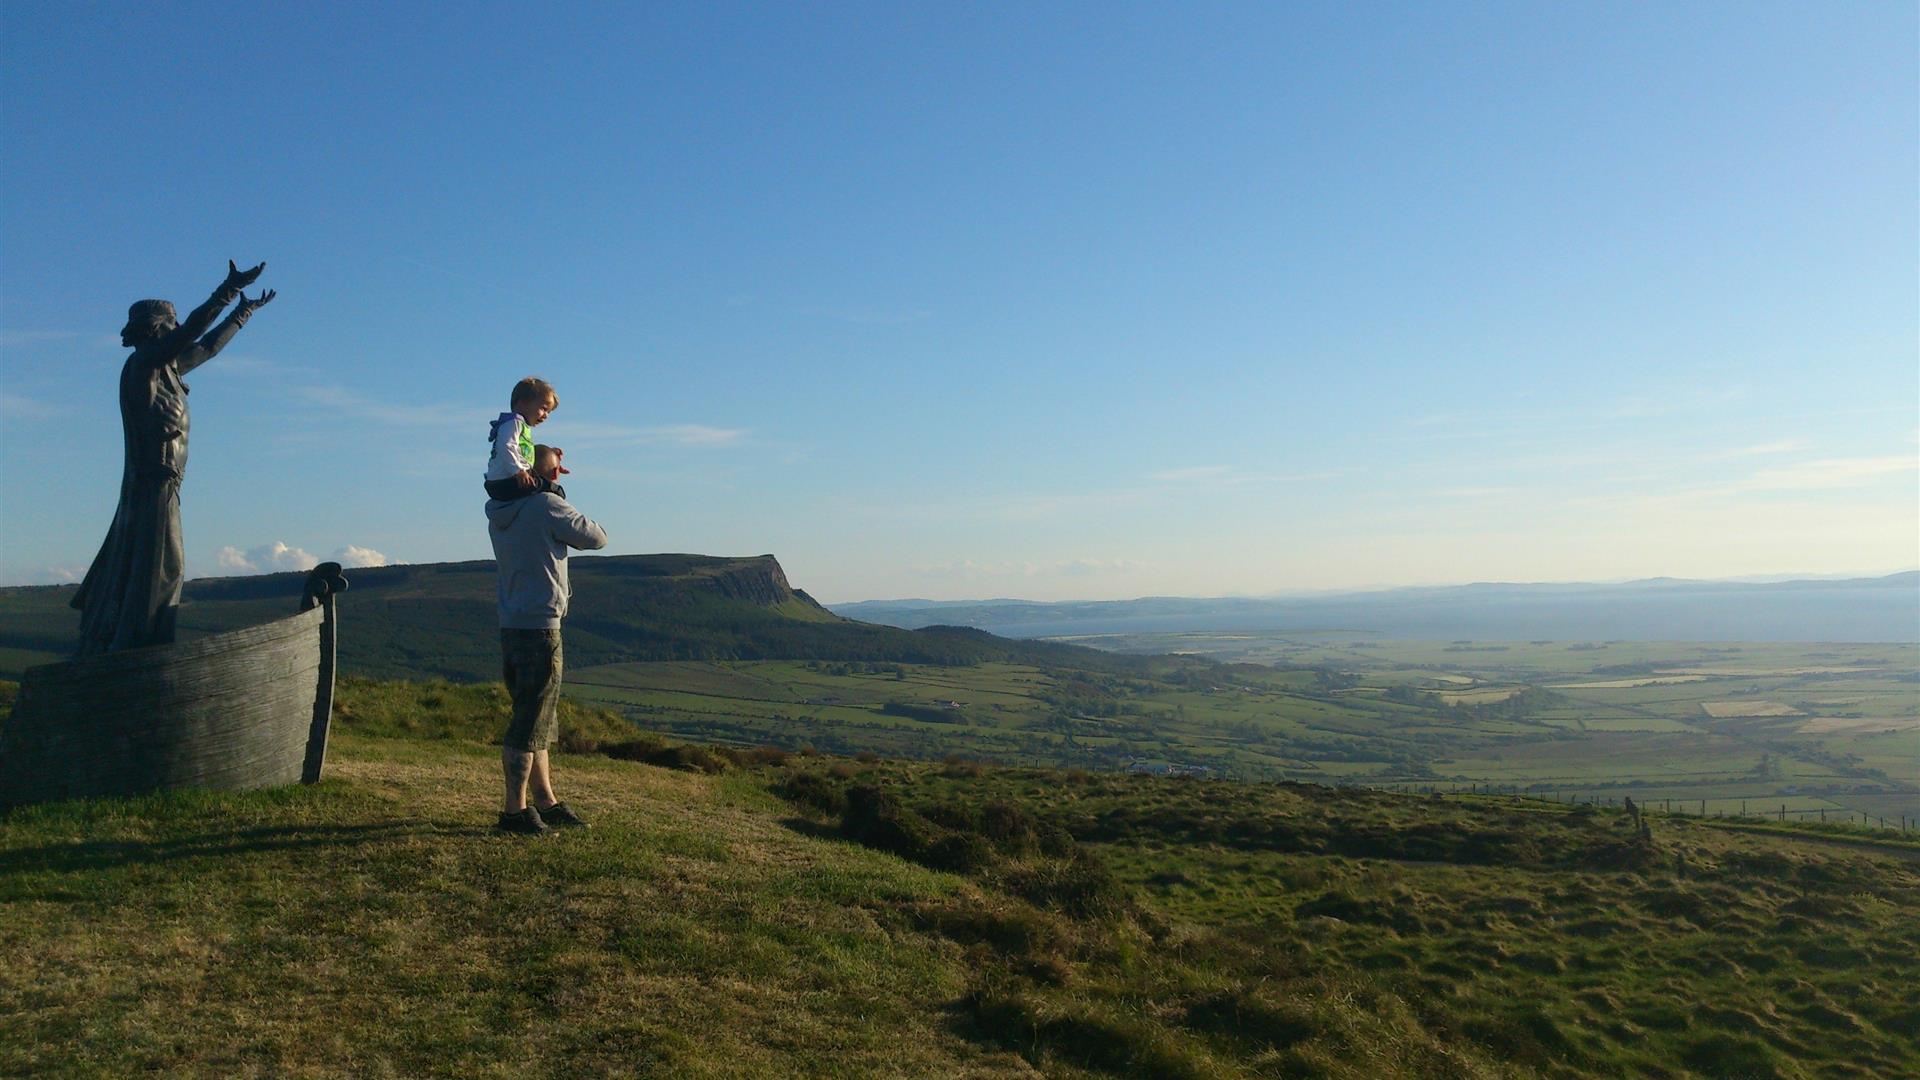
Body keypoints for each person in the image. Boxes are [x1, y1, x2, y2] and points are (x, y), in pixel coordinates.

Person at [73, 260, 275, 657]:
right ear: (157, 327)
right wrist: (226, 290)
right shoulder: (143, 366)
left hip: (164, 484)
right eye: (173, 322)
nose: (178, 328)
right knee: (161, 570)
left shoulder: (166, 368)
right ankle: (139, 648)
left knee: (152, 568)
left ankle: (136, 644)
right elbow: (193, 332)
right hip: (154, 482)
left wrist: (243, 312)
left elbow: (207, 347)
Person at [487, 443, 607, 834]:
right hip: (542, 624)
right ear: (539, 476)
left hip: (512, 622)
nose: (559, 479)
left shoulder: (499, 512)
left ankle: (545, 800)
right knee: (528, 723)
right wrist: (553, 493)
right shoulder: (545, 505)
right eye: (556, 472)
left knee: (538, 717)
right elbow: (596, 537)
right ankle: (513, 812)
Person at [485, 377, 565, 501]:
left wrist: (552, 455)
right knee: (553, 489)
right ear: (523, 402)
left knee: (539, 484)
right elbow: (507, 447)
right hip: (505, 481)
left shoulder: (519, 425)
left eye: (548, 412)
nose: (546, 416)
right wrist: (518, 471)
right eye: (543, 409)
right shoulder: (514, 423)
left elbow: (522, 451)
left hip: (505, 480)